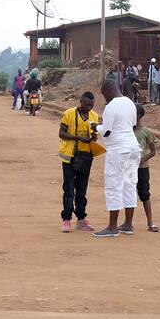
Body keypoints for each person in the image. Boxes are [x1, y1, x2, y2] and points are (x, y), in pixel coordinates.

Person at [92, 79, 141, 236]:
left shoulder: (111, 106)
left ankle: (112, 227)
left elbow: (107, 131)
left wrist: (96, 127)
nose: (104, 97)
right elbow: (133, 126)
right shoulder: (130, 103)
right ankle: (128, 224)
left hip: (118, 151)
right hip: (133, 149)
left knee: (114, 186)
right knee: (130, 185)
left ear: (108, 90)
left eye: (104, 94)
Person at [58, 91, 100, 232]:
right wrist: (78, 138)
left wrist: (94, 137)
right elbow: (61, 133)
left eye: (91, 105)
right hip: (69, 156)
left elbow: (95, 134)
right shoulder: (69, 114)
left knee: (82, 189)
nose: (89, 108)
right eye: (86, 105)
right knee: (69, 189)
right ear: (80, 101)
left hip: (86, 157)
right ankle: (66, 219)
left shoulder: (94, 116)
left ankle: (81, 219)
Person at [133, 104, 159, 231]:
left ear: (138, 116)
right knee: (129, 195)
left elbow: (153, 151)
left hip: (142, 168)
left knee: (144, 194)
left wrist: (143, 159)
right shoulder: (127, 131)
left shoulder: (146, 132)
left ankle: (150, 223)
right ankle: (127, 222)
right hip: (129, 167)